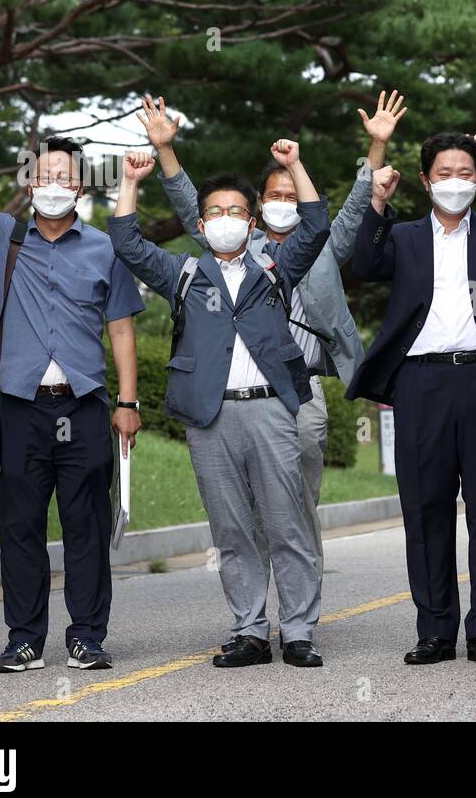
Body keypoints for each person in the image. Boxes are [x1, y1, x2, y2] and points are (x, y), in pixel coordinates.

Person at [0, 80, 144, 674]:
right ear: (31, 184)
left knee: (86, 526)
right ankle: (24, 638)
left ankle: (86, 636)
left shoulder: (104, 248)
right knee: (21, 526)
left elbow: (123, 330)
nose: (53, 186)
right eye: (43, 176)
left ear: (80, 187)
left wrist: (127, 403)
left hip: (83, 406)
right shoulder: (5, 235)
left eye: (65, 178)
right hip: (22, 405)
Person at [109, 141, 331, 669]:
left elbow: (317, 224)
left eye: (235, 211)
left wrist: (295, 164)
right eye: (214, 212)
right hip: (211, 418)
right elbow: (126, 241)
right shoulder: (183, 273)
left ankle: (299, 632)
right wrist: (131, 182)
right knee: (231, 530)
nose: (225, 219)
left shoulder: (276, 268)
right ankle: (251, 631)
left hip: (273, 411)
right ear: (201, 224)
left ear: (251, 221)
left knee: (288, 526)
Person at [347, 131, 476, 667]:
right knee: (425, 508)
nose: (455, 182)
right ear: (426, 179)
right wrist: (377, 200)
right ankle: (434, 630)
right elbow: (364, 262)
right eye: (444, 173)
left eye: (465, 173)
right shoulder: (404, 236)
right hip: (420, 383)